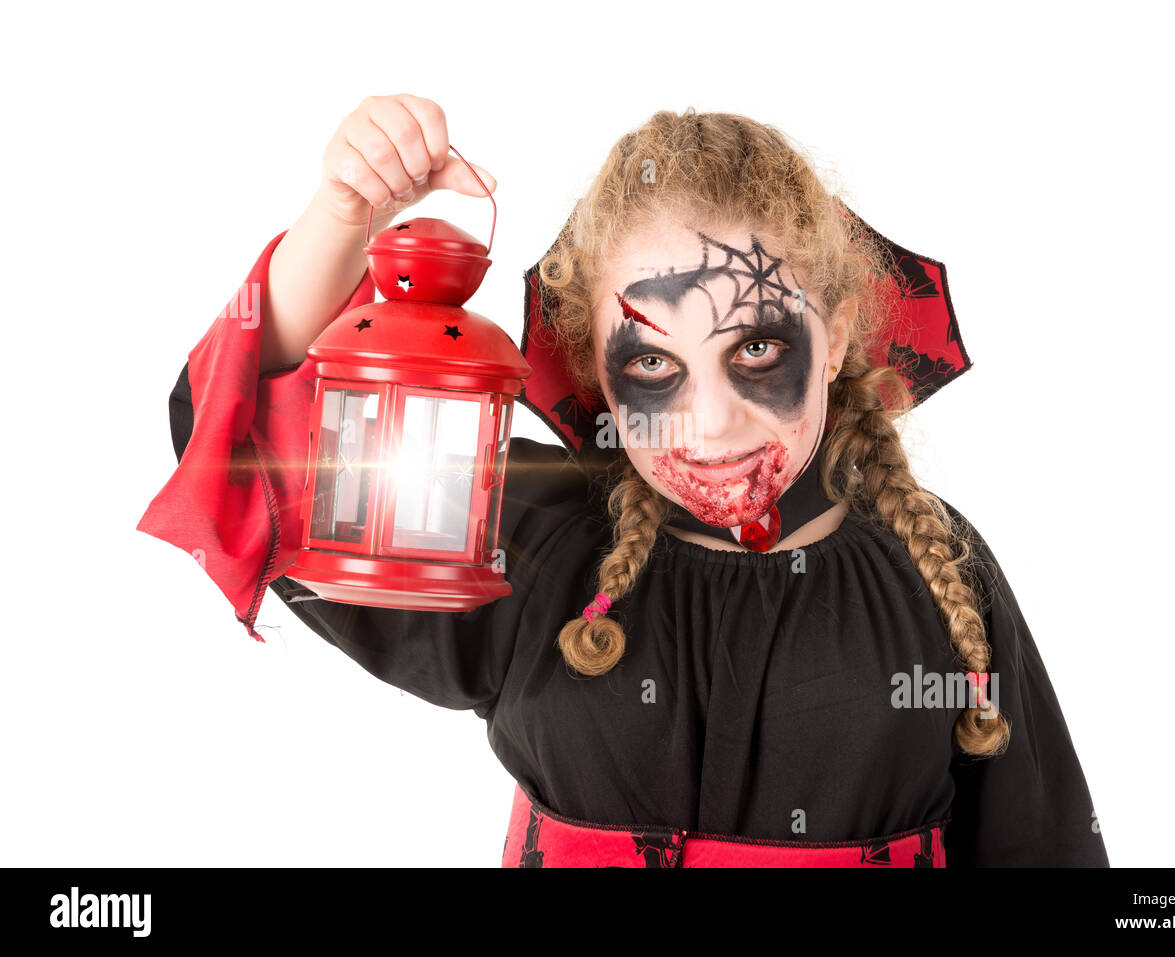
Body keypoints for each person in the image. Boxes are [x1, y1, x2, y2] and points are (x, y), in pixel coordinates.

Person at [138, 94, 1108, 868]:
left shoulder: (936, 571)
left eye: (760, 345)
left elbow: (1041, 849)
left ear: (840, 332)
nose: (712, 422)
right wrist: (341, 219)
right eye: (651, 365)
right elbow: (243, 461)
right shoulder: (530, 540)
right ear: (595, 361)